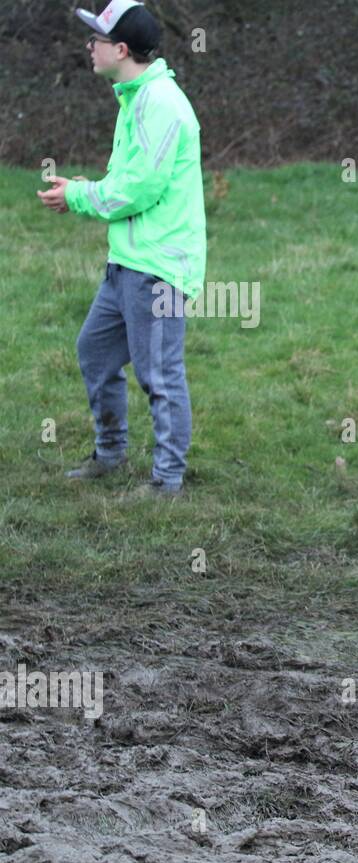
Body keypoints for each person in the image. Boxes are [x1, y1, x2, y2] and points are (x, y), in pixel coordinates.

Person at [39, 2, 206, 497]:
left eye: (96, 39)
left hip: (156, 269)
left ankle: (167, 481)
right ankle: (110, 456)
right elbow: (129, 180)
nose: (89, 46)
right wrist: (85, 189)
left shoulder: (161, 103)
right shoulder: (134, 97)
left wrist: (77, 195)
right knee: (95, 352)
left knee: (160, 374)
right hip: (127, 264)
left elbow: (138, 190)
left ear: (121, 49)